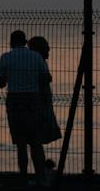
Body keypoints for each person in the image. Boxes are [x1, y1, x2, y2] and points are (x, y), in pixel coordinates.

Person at [0, 29, 51, 185]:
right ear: (25, 41)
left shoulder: (6, 57)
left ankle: (23, 178)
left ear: (11, 42)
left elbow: (1, 83)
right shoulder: (36, 56)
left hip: (14, 99)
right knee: (35, 141)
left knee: (20, 142)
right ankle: (41, 178)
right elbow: (47, 77)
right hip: (33, 99)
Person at [29, 36, 63, 171]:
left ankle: (42, 167)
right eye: (46, 47)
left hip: (41, 103)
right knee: (37, 139)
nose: (49, 49)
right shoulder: (39, 62)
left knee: (37, 139)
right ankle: (42, 169)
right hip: (41, 104)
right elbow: (47, 78)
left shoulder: (35, 61)